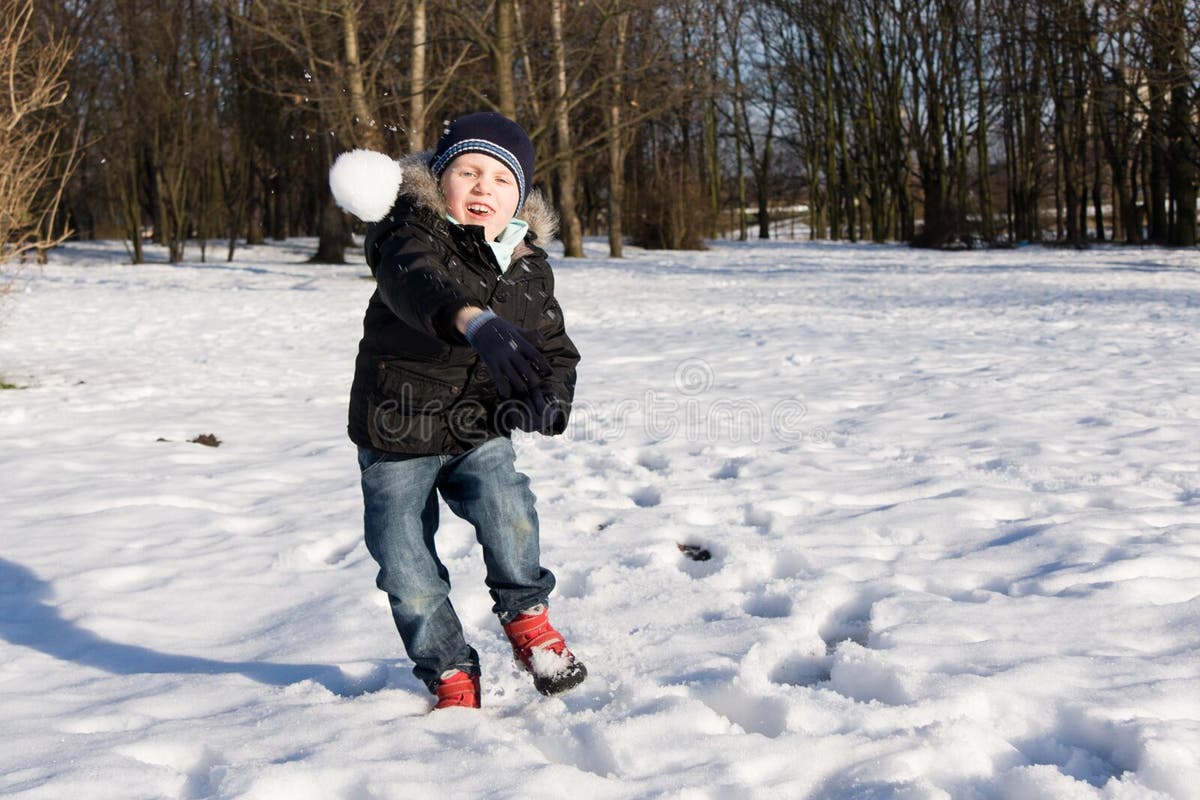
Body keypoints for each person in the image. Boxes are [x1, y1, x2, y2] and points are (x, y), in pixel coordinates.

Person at [333, 112, 585, 710]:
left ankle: (527, 616)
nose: (483, 189)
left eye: (501, 180)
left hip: (479, 424)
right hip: (397, 427)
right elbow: (417, 284)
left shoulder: (527, 264)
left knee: (509, 511)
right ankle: (447, 668)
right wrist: (474, 321)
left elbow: (554, 347)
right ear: (438, 180)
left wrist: (551, 395)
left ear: (519, 197)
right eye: (468, 172)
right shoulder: (408, 235)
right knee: (404, 563)